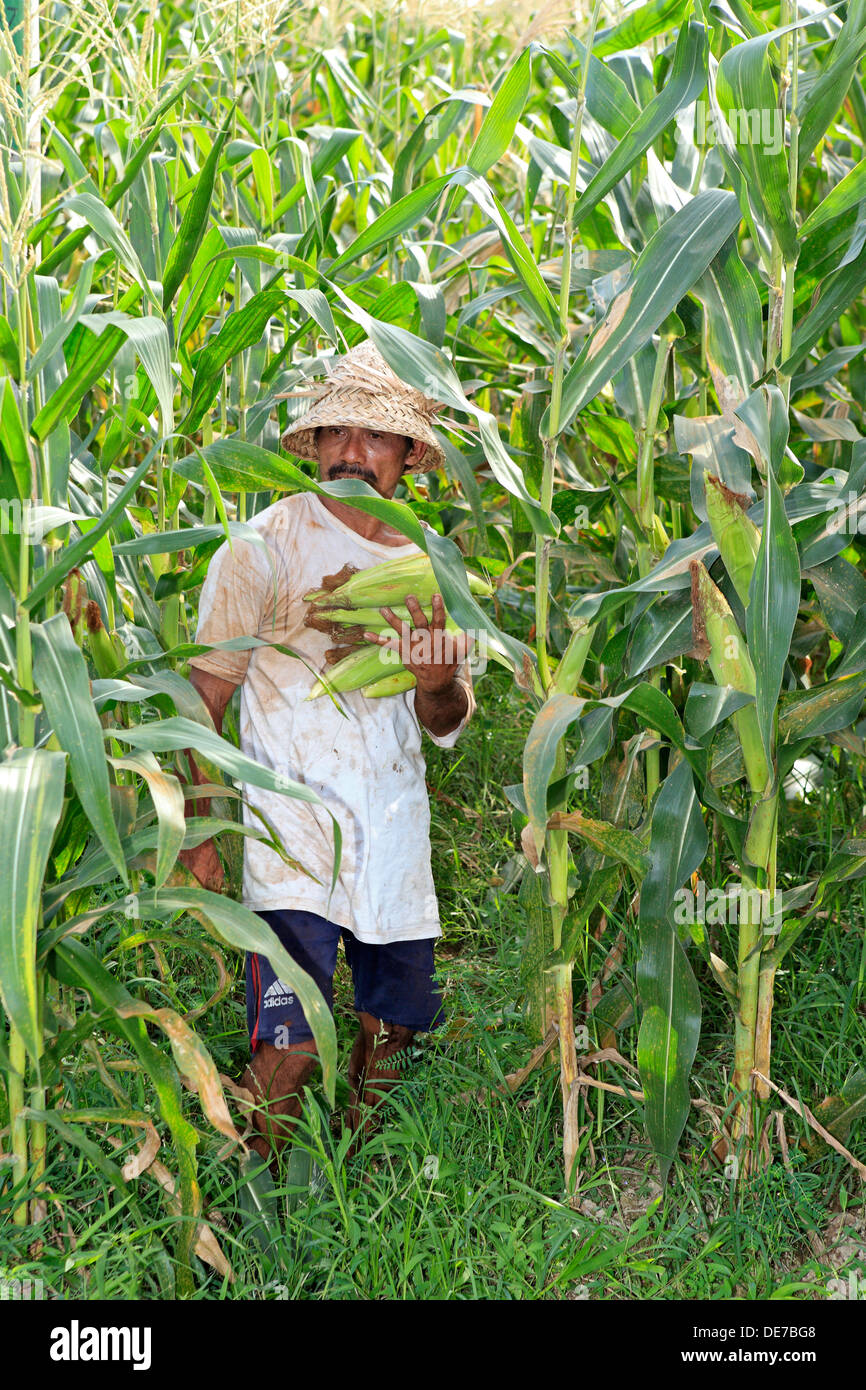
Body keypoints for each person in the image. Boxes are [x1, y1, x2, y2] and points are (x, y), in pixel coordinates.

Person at [180, 339, 476, 1163]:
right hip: (292, 835)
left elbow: (447, 718)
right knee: (291, 1037)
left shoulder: (428, 563)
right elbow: (203, 700)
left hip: (391, 831)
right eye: (337, 433)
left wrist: (434, 681)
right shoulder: (263, 547)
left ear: (409, 455)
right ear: (310, 444)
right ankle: (254, 1198)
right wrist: (201, 830)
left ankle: (349, 1179)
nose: (352, 452)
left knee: (396, 1026)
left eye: (375, 437)